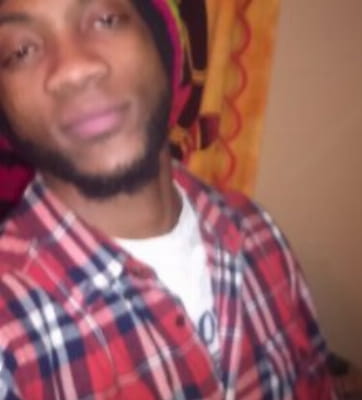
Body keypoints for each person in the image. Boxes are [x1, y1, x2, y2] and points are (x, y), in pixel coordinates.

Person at [0, 0, 335, 398]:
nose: (73, 70)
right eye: (20, 51)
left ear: (165, 46)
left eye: (106, 19)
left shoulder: (257, 231)